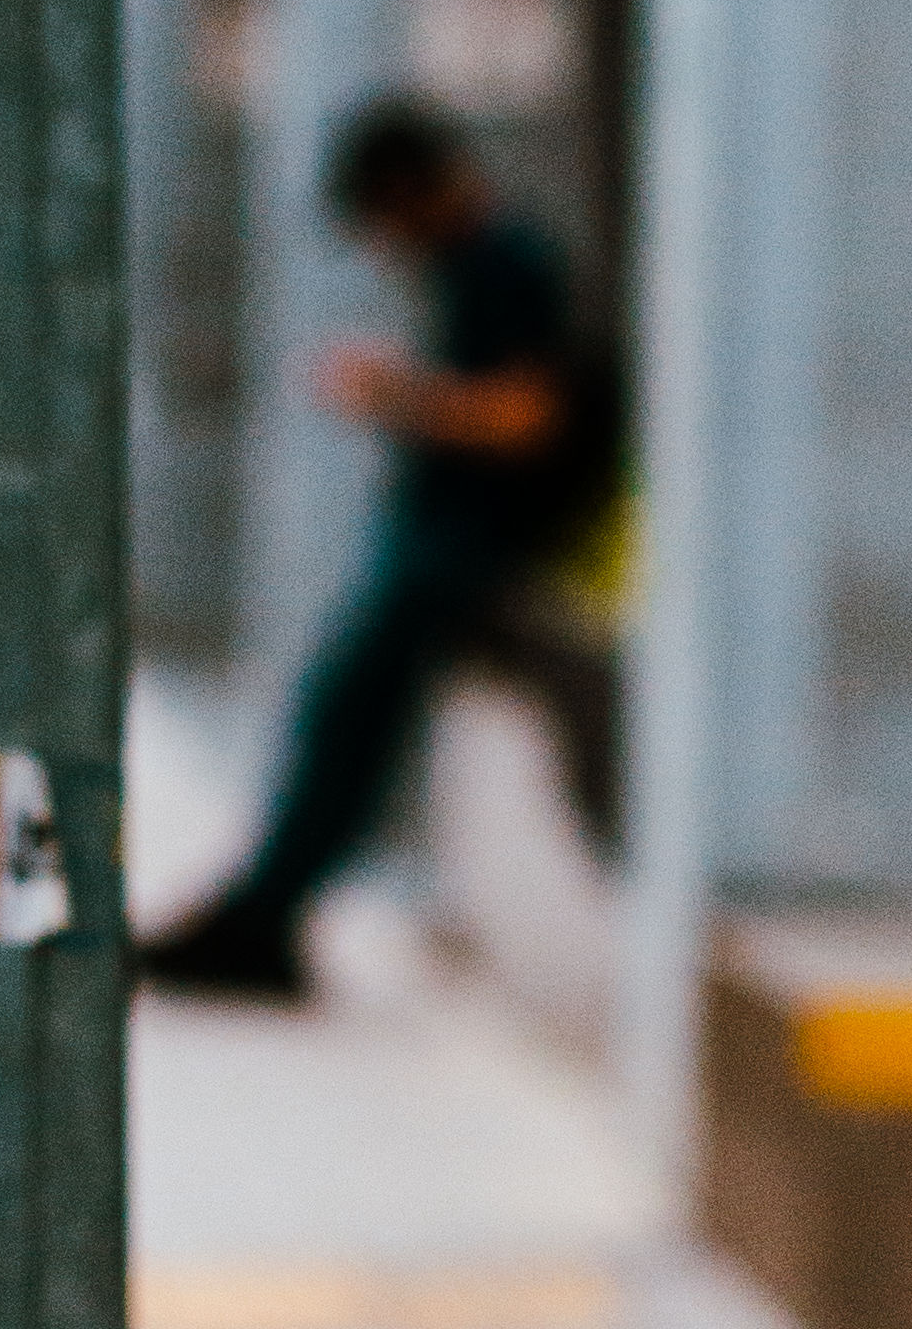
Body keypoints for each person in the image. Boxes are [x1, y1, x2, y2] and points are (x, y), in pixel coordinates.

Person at [136, 94, 613, 1000]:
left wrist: (398, 393)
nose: (385, 244)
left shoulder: (505, 262)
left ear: (410, 190)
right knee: (340, 719)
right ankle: (263, 910)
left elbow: (529, 415)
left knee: (348, 720)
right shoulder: (481, 263)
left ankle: (263, 916)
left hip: (469, 548)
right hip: (451, 541)